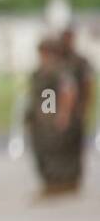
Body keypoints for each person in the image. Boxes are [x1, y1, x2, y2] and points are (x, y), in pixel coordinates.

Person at [26, 37, 77, 197]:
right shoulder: (39, 71)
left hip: (50, 116)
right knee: (42, 151)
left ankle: (57, 184)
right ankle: (49, 183)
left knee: (53, 152)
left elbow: (68, 91)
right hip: (40, 118)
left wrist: (63, 113)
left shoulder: (59, 70)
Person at [58, 26, 94, 191]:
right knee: (59, 146)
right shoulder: (58, 61)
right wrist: (49, 111)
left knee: (75, 145)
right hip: (59, 110)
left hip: (76, 110)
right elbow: (49, 91)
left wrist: (85, 108)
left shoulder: (80, 62)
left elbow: (87, 86)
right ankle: (62, 178)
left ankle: (74, 180)